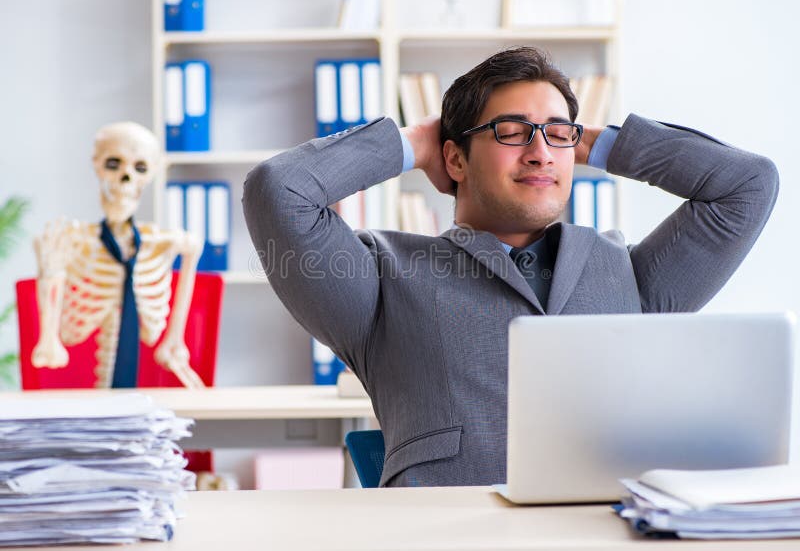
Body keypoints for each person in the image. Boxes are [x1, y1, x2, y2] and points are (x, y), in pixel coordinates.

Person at [243, 47, 779, 487]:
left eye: (557, 133)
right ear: (455, 159)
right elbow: (278, 190)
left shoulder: (630, 276)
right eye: (512, 131)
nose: (541, 152)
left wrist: (596, 143)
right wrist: (414, 143)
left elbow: (747, 185)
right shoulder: (380, 278)